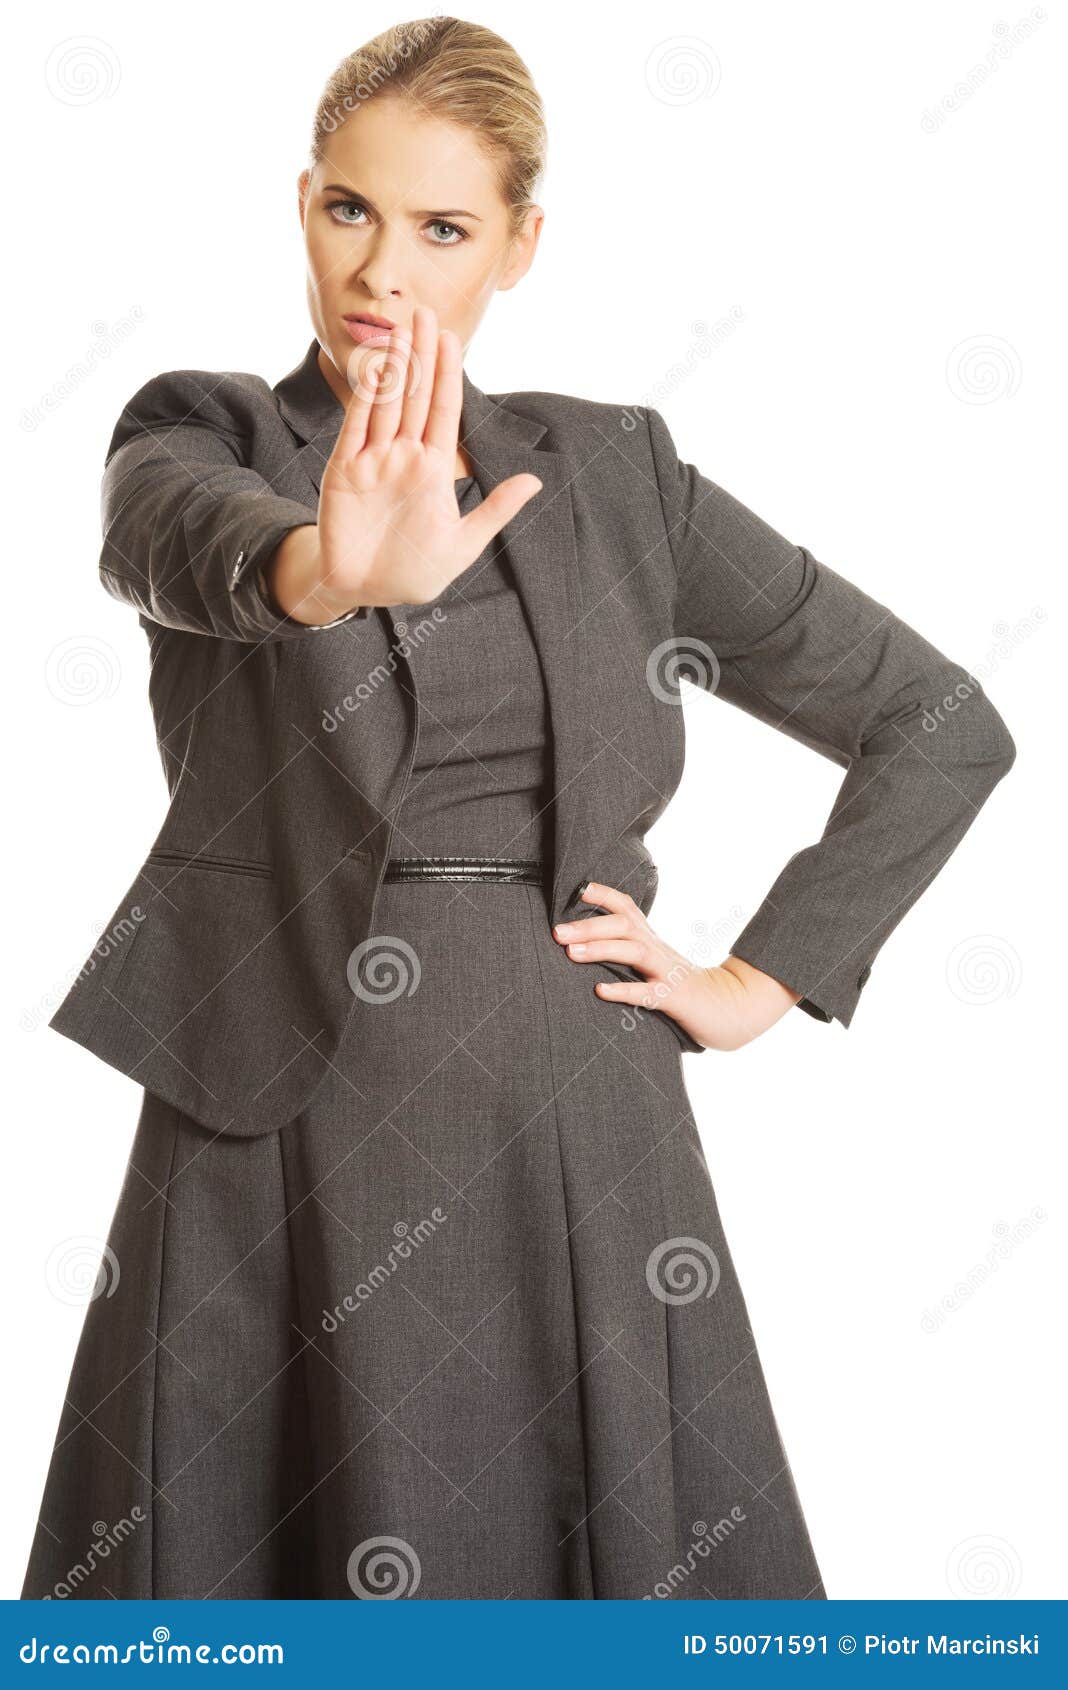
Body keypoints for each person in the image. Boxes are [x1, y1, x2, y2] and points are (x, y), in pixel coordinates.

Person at [22, 17, 1015, 1601]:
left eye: (441, 228)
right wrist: (325, 568)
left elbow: (940, 722)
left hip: (572, 1106)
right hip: (272, 1113)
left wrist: (760, 978)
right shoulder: (200, 430)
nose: (383, 272)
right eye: (350, 209)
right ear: (300, 204)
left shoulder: (619, 470)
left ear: (518, 247)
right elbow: (172, 538)